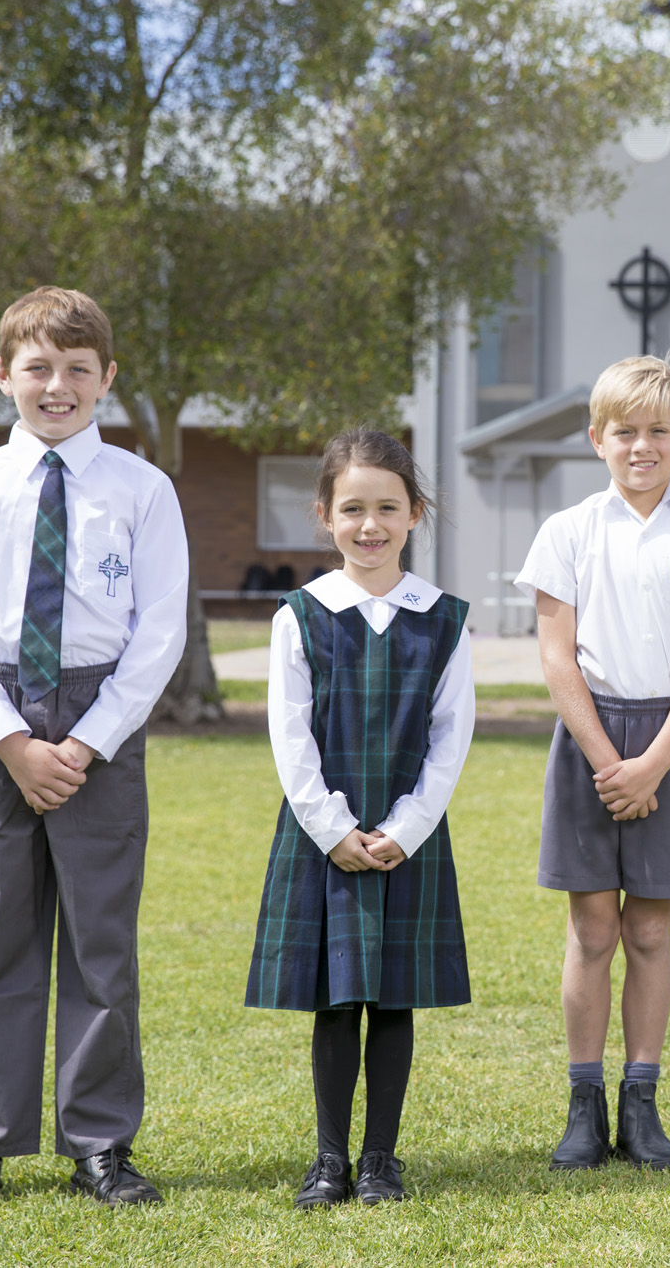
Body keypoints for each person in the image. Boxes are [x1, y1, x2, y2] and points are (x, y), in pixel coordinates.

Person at [0, 286, 189, 1211]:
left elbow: (159, 635)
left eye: (77, 369)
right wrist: (13, 742)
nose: (57, 385)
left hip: (102, 717)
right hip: (0, 718)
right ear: (3, 375)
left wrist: (89, 740)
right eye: (38, 368)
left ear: (107, 377)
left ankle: (100, 1141)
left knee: (102, 940)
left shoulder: (144, 491)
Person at [515, 355, 670, 1170]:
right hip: (589, 737)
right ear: (597, 438)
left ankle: (641, 1103)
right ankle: (583, 1107)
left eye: (659, 431)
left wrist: (654, 762)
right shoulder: (569, 531)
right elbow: (556, 656)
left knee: (650, 928)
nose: (641, 446)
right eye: (625, 431)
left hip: (669, 741)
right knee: (592, 927)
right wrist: (606, 758)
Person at [244, 430, 474, 1210]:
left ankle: (381, 1159)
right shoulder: (300, 616)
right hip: (325, 837)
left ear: (415, 513)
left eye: (387, 507)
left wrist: (405, 829)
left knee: (394, 997)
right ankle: (329, 1159)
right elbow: (290, 735)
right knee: (338, 998)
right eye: (352, 509)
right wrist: (333, 828)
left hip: (408, 839)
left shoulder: (444, 619)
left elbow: (451, 738)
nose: (369, 525)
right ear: (324, 515)